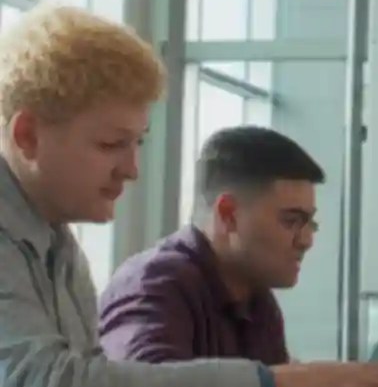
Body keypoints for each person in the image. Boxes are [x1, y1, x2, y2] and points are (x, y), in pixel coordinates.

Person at [0, 3, 378, 387]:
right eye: (110, 144)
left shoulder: (57, 244)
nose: (132, 169)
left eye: (136, 143)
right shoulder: (140, 278)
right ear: (28, 137)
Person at [98, 126, 322, 364]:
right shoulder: (153, 284)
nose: (306, 241)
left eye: (311, 223)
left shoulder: (258, 301)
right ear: (228, 215)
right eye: (291, 221)